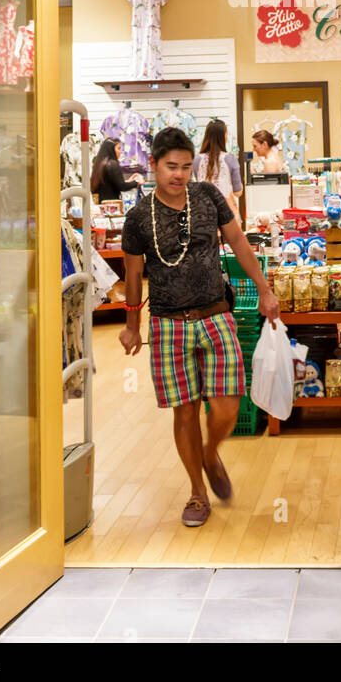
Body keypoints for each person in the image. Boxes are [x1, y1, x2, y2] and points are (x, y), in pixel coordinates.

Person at [119, 127, 280, 528]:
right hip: (168, 323)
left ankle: (211, 453)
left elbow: (240, 243)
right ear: (153, 165)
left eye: (186, 167)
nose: (178, 174)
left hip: (216, 314)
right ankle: (196, 491)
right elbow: (134, 275)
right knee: (185, 412)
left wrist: (264, 290)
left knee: (227, 404)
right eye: (171, 166)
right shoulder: (139, 218)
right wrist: (132, 325)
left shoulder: (207, 197)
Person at [194, 118, 243, 223]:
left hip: (203, 213)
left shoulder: (197, 160)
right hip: (228, 211)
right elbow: (238, 192)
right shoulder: (230, 158)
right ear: (224, 136)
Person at [91, 137, 143, 203]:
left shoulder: (98, 164)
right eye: (118, 148)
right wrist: (137, 182)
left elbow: (111, 184)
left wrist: (128, 181)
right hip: (111, 206)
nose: (120, 152)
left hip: (99, 204)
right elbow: (122, 186)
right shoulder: (112, 164)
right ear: (111, 149)